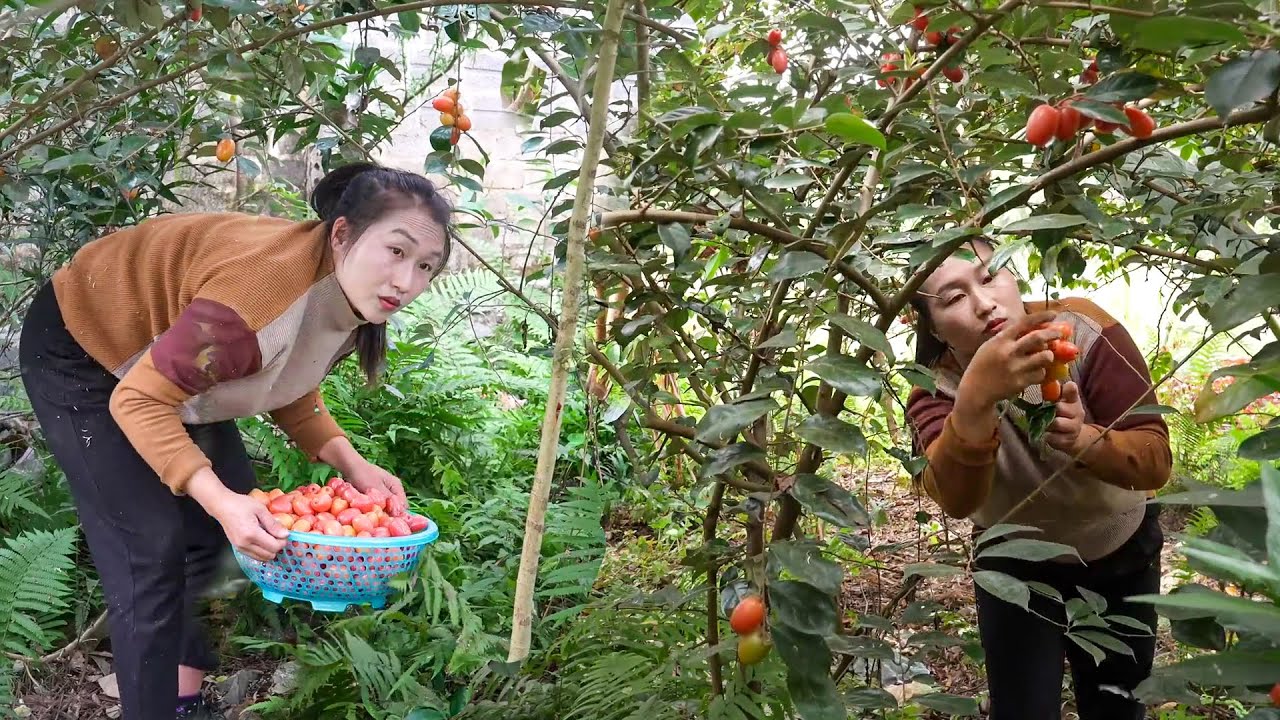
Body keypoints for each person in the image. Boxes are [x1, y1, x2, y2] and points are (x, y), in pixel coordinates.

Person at [18, 161, 454, 720]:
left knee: (225, 536)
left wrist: (351, 462)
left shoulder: (350, 294)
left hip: (172, 364)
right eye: (396, 253)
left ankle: (180, 700)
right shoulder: (254, 302)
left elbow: (286, 375)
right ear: (341, 234)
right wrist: (221, 501)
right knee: (148, 549)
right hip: (88, 348)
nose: (407, 283)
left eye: (425, 267)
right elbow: (140, 400)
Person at [903, 239, 1171, 719]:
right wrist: (976, 397)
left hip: (1120, 555)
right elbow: (957, 497)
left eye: (990, 276)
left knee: (1118, 705)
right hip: (1015, 573)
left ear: (1015, 276)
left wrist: (1089, 440)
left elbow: (1154, 459)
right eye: (954, 297)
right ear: (933, 327)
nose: (985, 303)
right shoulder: (933, 388)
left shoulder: (1083, 331)